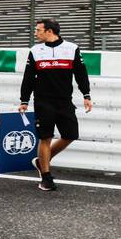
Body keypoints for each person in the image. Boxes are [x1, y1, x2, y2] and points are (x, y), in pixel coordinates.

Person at [17, 19, 92, 191]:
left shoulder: (72, 48)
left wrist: (86, 95)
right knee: (45, 137)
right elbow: (28, 78)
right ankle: (46, 176)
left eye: (38, 30)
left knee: (71, 134)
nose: (36, 33)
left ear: (49, 31)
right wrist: (24, 100)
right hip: (43, 101)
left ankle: (42, 160)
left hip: (65, 100)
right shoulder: (35, 50)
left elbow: (81, 73)